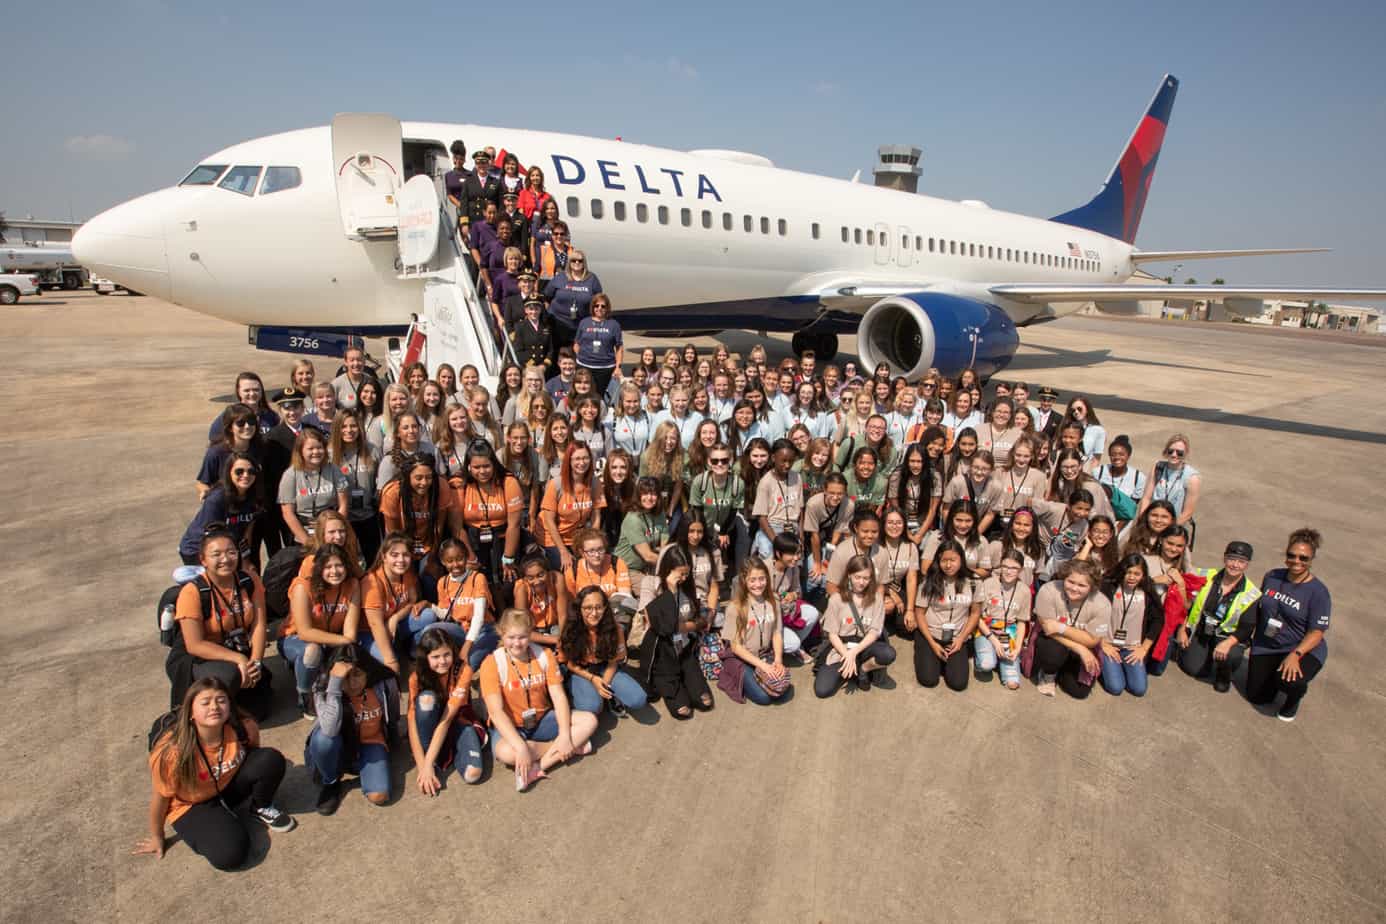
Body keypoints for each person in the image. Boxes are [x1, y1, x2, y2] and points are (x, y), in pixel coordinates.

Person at [138, 678, 293, 870]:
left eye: (221, 700)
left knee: (270, 759)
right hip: (192, 804)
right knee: (230, 855)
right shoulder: (172, 753)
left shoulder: (243, 727)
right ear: (191, 712)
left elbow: (255, 757)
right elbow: (160, 799)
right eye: (205, 702)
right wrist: (157, 836)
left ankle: (259, 806)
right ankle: (219, 821)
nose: (214, 707)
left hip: (226, 786)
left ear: (230, 705)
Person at [480, 608, 598, 791]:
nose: (517, 643)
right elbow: (496, 712)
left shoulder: (544, 655)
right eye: (511, 637)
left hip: (542, 718)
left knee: (589, 720)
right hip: (512, 725)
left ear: (530, 634)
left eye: (522, 637)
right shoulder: (491, 663)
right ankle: (571, 747)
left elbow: (558, 697)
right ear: (501, 634)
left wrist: (566, 735)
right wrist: (520, 747)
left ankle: (539, 766)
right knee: (506, 753)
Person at [165, 529, 273, 719]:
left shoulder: (249, 580)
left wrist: (255, 661)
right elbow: (194, 644)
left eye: (231, 552)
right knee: (229, 676)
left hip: (234, 647)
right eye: (216, 554)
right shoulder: (193, 592)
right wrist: (239, 659)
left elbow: (259, 624)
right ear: (203, 560)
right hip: (197, 656)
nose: (225, 559)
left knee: (259, 708)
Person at [1246, 528, 1331, 722]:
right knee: (1257, 697)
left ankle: (1293, 700)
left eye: (1304, 558)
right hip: (1267, 645)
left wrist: (1295, 655)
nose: (1296, 561)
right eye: (1291, 555)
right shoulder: (1272, 576)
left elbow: (1317, 632)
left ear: (1311, 560)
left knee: (1290, 682)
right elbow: (1258, 607)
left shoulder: (1318, 593)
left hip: (1301, 648)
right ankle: (1274, 676)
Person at [306, 645, 397, 814]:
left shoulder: (384, 683)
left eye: (357, 674)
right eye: (346, 677)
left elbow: (392, 717)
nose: (352, 683)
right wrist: (334, 685)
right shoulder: (322, 688)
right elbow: (330, 730)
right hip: (337, 747)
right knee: (323, 739)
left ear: (367, 672)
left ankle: (361, 768)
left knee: (379, 796)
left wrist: (393, 741)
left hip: (371, 742)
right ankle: (331, 782)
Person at [281, 543, 362, 717]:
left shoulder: (352, 585)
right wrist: (345, 640)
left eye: (339, 565)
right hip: (295, 639)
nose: (335, 571)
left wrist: (345, 641)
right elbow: (305, 632)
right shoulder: (303, 587)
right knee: (312, 651)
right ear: (319, 569)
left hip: (331, 638)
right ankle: (304, 694)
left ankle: (323, 678)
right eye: (328, 567)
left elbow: (350, 633)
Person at [1174, 540, 1262, 692]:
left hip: (1226, 636)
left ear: (1247, 564)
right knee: (1193, 670)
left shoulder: (1252, 593)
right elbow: (1190, 604)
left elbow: (1246, 628)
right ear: (1224, 558)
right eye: (1231, 559)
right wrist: (1182, 629)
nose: (1235, 565)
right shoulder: (1206, 576)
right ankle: (1202, 656)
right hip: (1202, 630)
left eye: (1241, 562)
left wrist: (1227, 644)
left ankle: (1224, 673)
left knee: (1230, 655)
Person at [408, 628, 487, 796]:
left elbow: (446, 719)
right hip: (430, 728)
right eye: (435, 657)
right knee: (426, 700)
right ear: (425, 657)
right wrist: (424, 767)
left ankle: (449, 753)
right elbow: (411, 724)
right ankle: (434, 757)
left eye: (446, 654)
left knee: (473, 774)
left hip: (457, 721)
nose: (442, 661)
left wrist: (427, 765)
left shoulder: (464, 670)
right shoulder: (415, 678)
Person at [814, 554, 896, 697]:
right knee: (822, 690)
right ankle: (849, 671)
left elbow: (875, 631)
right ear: (849, 575)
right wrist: (846, 655)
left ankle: (863, 668)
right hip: (841, 646)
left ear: (871, 579)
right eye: (857, 577)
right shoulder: (836, 599)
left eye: (866, 578)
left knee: (888, 654)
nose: (861, 582)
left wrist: (854, 652)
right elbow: (832, 634)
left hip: (865, 645)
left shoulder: (876, 599)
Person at [560, 586, 648, 718]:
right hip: (581, 670)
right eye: (588, 608)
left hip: (605, 666)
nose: (594, 613)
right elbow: (570, 664)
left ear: (605, 607)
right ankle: (589, 694)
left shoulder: (614, 628)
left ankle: (609, 696)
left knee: (638, 699)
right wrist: (592, 679)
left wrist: (604, 685)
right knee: (592, 707)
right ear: (579, 608)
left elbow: (613, 662)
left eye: (599, 607)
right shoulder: (571, 629)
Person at [1032, 559, 1112, 698]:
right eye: (1071, 582)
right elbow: (1047, 628)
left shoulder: (1102, 604)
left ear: (1092, 586)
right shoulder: (1049, 590)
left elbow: (1092, 640)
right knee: (1053, 652)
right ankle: (1048, 673)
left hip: (1078, 643)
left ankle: (1063, 670)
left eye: (1082, 585)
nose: (1074, 588)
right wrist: (1080, 648)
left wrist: (1061, 627)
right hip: (1053, 641)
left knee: (1079, 692)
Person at [908, 539, 980, 691]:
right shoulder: (929, 581)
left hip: (956, 638)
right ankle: (929, 654)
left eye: (953, 560)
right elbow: (919, 614)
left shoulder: (973, 583)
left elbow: (975, 613)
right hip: (931, 635)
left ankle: (945, 661)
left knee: (958, 684)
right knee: (928, 680)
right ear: (938, 561)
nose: (948, 565)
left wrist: (961, 639)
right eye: (944, 560)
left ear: (961, 559)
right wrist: (933, 644)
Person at [379, 453, 462, 584]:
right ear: (408, 477)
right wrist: (406, 562)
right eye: (418, 478)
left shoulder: (441, 486)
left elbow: (438, 527)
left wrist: (433, 557)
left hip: (429, 542)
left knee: (429, 579)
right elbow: (393, 533)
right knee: (407, 580)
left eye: (428, 477)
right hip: (401, 543)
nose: (424, 483)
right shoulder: (392, 492)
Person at [361, 531, 435, 675]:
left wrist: (395, 618)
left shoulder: (406, 572)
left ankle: (411, 649)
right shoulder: (372, 582)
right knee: (387, 663)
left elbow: (413, 601)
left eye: (406, 555)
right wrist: (391, 660)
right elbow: (375, 625)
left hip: (394, 622)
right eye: (394, 555)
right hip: (370, 632)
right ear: (384, 557)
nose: (401, 560)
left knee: (428, 615)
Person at [721, 558, 791, 705]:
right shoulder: (736, 607)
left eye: (761, 579)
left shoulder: (774, 601)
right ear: (744, 581)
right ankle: (735, 675)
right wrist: (763, 666)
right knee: (764, 698)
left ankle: (760, 674)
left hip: (765, 653)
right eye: (752, 580)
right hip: (742, 658)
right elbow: (735, 647)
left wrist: (778, 659)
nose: (758, 584)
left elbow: (777, 633)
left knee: (780, 688)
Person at [454, 439, 524, 583]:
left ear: (494, 464)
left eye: (486, 466)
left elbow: (514, 524)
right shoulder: (461, 484)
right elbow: (456, 527)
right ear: (468, 467)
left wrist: (508, 557)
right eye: (476, 467)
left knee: (508, 581)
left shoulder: (508, 482)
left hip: (503, 537)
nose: (482, 471)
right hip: (472, 540)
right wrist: (470, 557)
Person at [180, 451, 263, 567]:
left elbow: (246, 534)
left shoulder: (254, 498)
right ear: (229, 473)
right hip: (198, 549)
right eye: (239, 471)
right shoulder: (217, 500)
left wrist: (245, 561)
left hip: (226, 547)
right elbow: (211, 537)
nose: (246, 475)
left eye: (251, 471)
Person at [432, 537, 500, 668]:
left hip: (483, 629)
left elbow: (479, 617)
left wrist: (467, 646)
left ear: (467, 557)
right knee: (429, 630)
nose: (455, 564)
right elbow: (446, 615)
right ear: (443, 562)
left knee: (469, 661)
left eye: (459, 559)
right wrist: (429, 606)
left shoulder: (477, 578)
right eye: (450, 561)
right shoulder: (443, 582)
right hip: (460, 628)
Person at [1099, 554, 1161, 697]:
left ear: (1143, 575)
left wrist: (1144, 648)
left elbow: (1158, 619)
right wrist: (1102, 644)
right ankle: (1104, 665)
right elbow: (1095, 615)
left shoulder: (1147, 591)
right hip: (1108, 644)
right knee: (1116, 688)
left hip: (1132, 647)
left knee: (1138, 689)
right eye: (1128, 572)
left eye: (1137, 574)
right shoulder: (1109, 586)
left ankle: (1116, 667)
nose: (1132, 577)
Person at [538, 443, 602, 571]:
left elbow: (596, 516)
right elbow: (549, 520)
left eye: (585, 458)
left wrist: (592, 543)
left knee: (593, 564)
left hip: (578, 537)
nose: (582, 462)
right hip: (553, 536)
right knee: (569, 569)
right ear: (569, 460)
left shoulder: (595, 482)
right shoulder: (555, 484)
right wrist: (562, 551)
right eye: (577, 459)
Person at [973, 549, 1032, 689]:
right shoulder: (988, 583)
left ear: (1021, 569)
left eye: (1014, 568)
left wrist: (1017, 648)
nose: (1008, 571)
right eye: (1005, 566)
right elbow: (977, 617)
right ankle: (986, 654)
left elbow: (1022, 622)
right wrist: (993, 639)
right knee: (986, 665)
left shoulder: (1024, 591)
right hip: (987, 628)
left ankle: (1001, 658)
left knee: (1013, 683)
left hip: (1008, 631)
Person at [330, 409, 381, 566]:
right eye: (344, 426)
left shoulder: (372, 450)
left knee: (374, 560)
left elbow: (380, 481)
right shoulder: (330, 453)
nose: (349, 431)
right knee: (346, 561)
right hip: (344, 517)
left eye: (353, 426)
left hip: (368, 515)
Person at [1138, 433, 1202, 545]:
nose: (1174, 455)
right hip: (1151, 525)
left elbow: (1188, 512)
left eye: (1179, 453)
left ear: (1185, 454)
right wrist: (1142, 522)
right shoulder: (1158, 467)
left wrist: (1168, 532)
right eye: (1170, 451)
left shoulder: (1192, 478)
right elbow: (1146, 498)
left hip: (1173, 529)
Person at [197, 403, 267, 501]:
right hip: (227, 504)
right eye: (240, 423)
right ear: (230, 428)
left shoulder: (262, 448)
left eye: (251, 422)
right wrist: (206, 492)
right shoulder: (216, 452)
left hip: (255, 505)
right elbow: (203, 482)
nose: (247, 426)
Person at [766, 533, 820, 659]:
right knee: (792, 644)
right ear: (778, 554)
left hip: (786, 612)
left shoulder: (793, 568)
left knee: (813, 612)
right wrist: (783, 595)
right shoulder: (765, 568)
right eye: (792, 554)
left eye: (798, 553)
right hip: (770, 618)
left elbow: (798, 592)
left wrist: (792, 595)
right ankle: (775, 647)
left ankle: (795, 644)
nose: (796, 558)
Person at [751, 439, 804, 558]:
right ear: (774, 458)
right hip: (772, 527)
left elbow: (801, 510)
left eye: (791, 461)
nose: (787, 465)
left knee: (796, 559)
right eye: (783, 461)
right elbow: (762, 518)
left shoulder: (797, 477)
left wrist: (801, 534)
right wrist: (776, 541)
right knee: (770, 555)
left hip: (792, 527)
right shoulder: (766, 482)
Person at [544, 249, 602, 352]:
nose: (577, 263)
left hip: (581, 326)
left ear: (584, 263)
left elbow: (599, 302)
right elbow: (547, 298)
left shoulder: (592, 279)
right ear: (569, 262)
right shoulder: (560, 277)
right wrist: (546, 319)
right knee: (556, 356)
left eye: (580, 261)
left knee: (577, 356)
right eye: (573, 260)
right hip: (558, 324)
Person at [513, 551, 572, 648]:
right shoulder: (522, 589)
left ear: (548, 572)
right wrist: (554, 640)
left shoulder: (556, 579)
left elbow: (563, 615)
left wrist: (560, 637)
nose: (537, 581)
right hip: (533, 633)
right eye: (530, 578)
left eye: (541, 575)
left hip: (556, 627)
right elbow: (523, 629)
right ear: (524, 578)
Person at [574, 293, 623, 394]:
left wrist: (618, 367)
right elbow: (576, 344)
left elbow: (619, 348)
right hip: (585, 367)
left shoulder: (614, 325)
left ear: (607, 308)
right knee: (583, 396)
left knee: (600, 398)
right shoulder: (584, 322)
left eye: (603, 306)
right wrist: (582, 357)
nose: (599, 308)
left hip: (605, 369)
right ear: (593, 307)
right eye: (596, 305)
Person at [1095, 434, 1146, 528]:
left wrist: (1117, 530)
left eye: (1121, 454)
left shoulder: (1138, 478)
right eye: (1113, 454)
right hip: (1098, 520)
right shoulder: (1098, 472)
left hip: (1122, 523)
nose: (1117, 457)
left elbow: (1130, 509)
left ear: (1128, 455)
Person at [1063, 395, 1106, 472]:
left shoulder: (1098, 430)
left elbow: (1096, 458)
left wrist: (1090, 475)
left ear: (1087, 409)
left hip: (1085, 469)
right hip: (1066, 468)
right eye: (1073, 410)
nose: (1076, 412)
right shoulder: (1066, 427)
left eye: (1079, 409)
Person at [331, 346, 374, 412]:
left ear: (364, 361)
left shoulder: (371, 381)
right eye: (352, 360)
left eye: (359, 360)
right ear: (346, 362)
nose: (356, 363)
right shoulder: (336, 384)